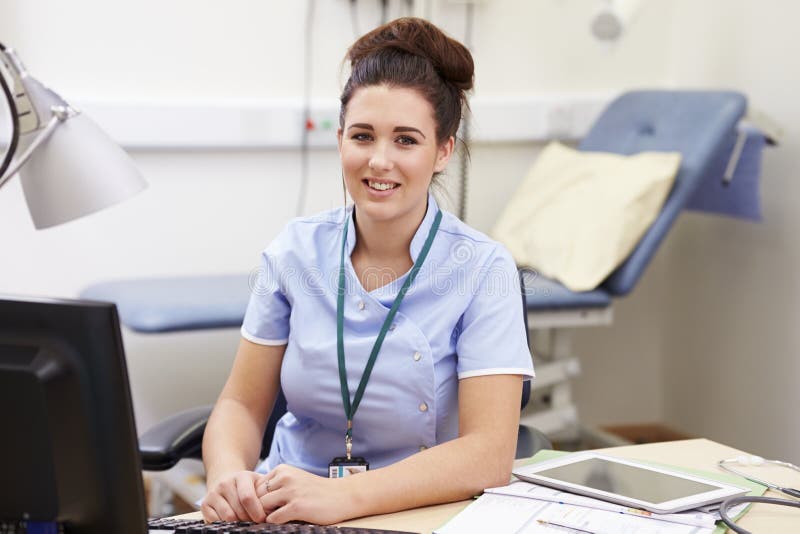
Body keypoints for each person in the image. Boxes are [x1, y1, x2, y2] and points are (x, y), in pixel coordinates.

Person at [201, 17, 535, 526]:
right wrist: (228, 478)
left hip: (414, 512)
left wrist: (343, 499)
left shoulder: (484, 269)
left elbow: (489, 454)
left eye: (406, 140)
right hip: (281, 507)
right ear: (340, 141)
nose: (380, 160)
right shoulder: (294, 252)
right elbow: (241, 407)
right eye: (363, 136)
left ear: (443, 151)